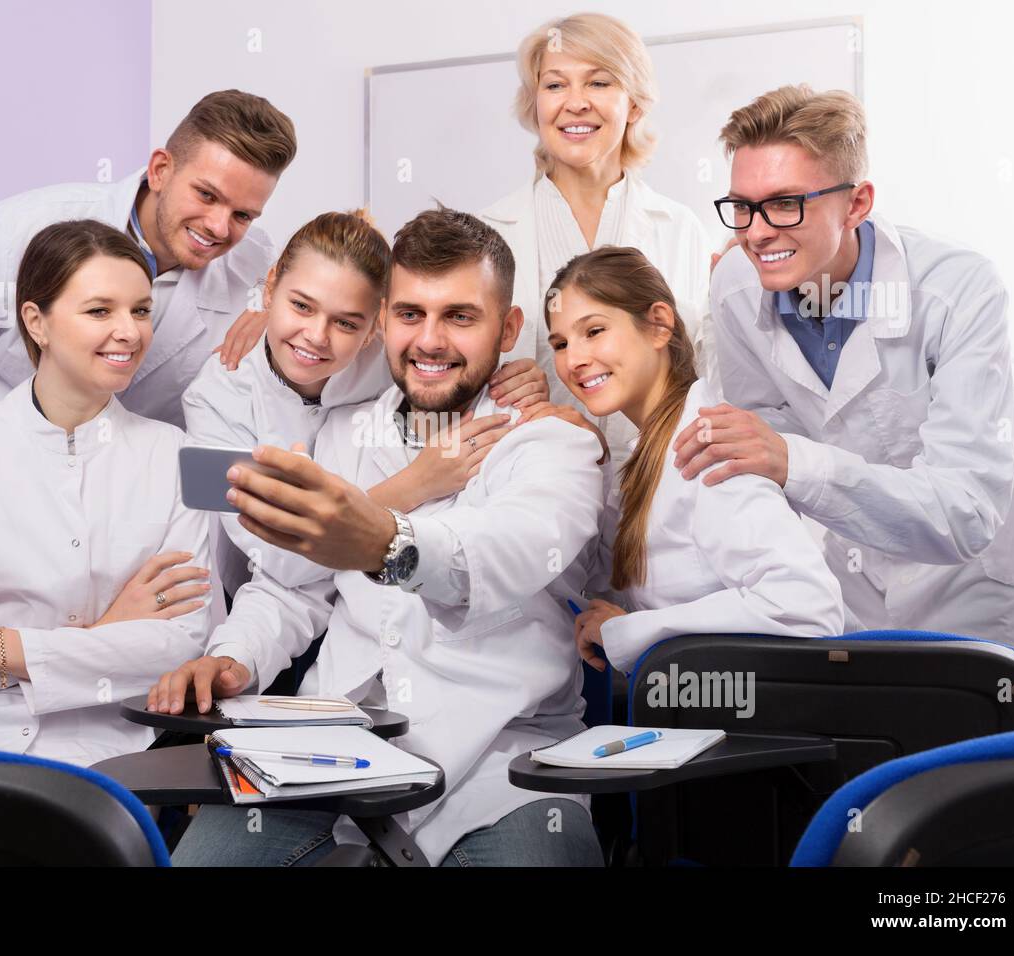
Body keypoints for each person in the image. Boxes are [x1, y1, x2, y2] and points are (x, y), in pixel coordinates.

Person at [150, 207, 607, 866]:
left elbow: (511, 547)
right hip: (322, 754)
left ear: (508, 329)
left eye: (460, 316)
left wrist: (382, 539)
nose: (430, 340)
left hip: (500, 766)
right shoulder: (342, 433)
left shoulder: (552, 442)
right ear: (385, 319)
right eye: (411, 314)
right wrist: (236, 657)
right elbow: (290, 588)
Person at [677, 84, 1014, 676]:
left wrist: (790, 462)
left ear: (856, 204)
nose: (754, 233)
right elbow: (767, 424)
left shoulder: (959, 290)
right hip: (860, 564)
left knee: (993, 745)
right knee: (881, 734)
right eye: (742, 207)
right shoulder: (735, 282)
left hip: (988, 575)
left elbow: (964, 511)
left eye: (784, 204)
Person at [0, 89, 295, 522]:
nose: (219, 227)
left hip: (127, 513)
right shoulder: (21, 228)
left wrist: (277, 314)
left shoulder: (254, 266)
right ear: (161, 169)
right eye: (206, 195)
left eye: (243, 215)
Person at [0, 220, 214, 766]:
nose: (129, 331)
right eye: (100, 311)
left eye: (141, 310)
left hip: (111, 758)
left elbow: (178, 646)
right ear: (37, 322)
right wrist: (108, 637)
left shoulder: (176, 458)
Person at [181, 209, 550, 599]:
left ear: (379, 323)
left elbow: (463, 349)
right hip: (269, 600)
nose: (316, 337)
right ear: (270, 287)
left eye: (346, 323)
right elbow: (284, 561)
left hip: (374, 590)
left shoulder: (393, 354)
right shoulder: (210, 400)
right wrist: (417, 483)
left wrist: (518, 372)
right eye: (301, 306)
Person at [521, 246, 844, 675]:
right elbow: (600, 582)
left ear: (658, 324)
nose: (574, 359)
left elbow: (807, 606)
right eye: (560, 343)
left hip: (758, 724)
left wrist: (633, 632)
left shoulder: (707, 447)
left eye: (594, 330)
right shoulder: (645, 454)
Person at [480, 11, 715, 461]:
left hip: (659, 483)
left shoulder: (680, 228)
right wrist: (506, 381)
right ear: (535, 106)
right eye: (554, 85)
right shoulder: (486, 235)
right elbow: (454, 376)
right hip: (535, 486)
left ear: (636, 104)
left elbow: (703, 376)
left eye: (599, 82)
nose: (575, 102)